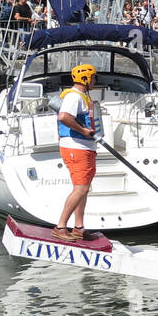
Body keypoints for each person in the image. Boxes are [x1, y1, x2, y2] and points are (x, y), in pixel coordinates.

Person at [54, 63, 100, 240]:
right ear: (85, 78)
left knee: (83, 189)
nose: (95, 81)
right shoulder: (74, 97)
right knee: (80, 189)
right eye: (93, 77)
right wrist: (83, 131)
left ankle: (78, 227)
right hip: (76, 148)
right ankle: (60, 227)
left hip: (84, 148)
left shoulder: (81, 96)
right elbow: (64, 116)